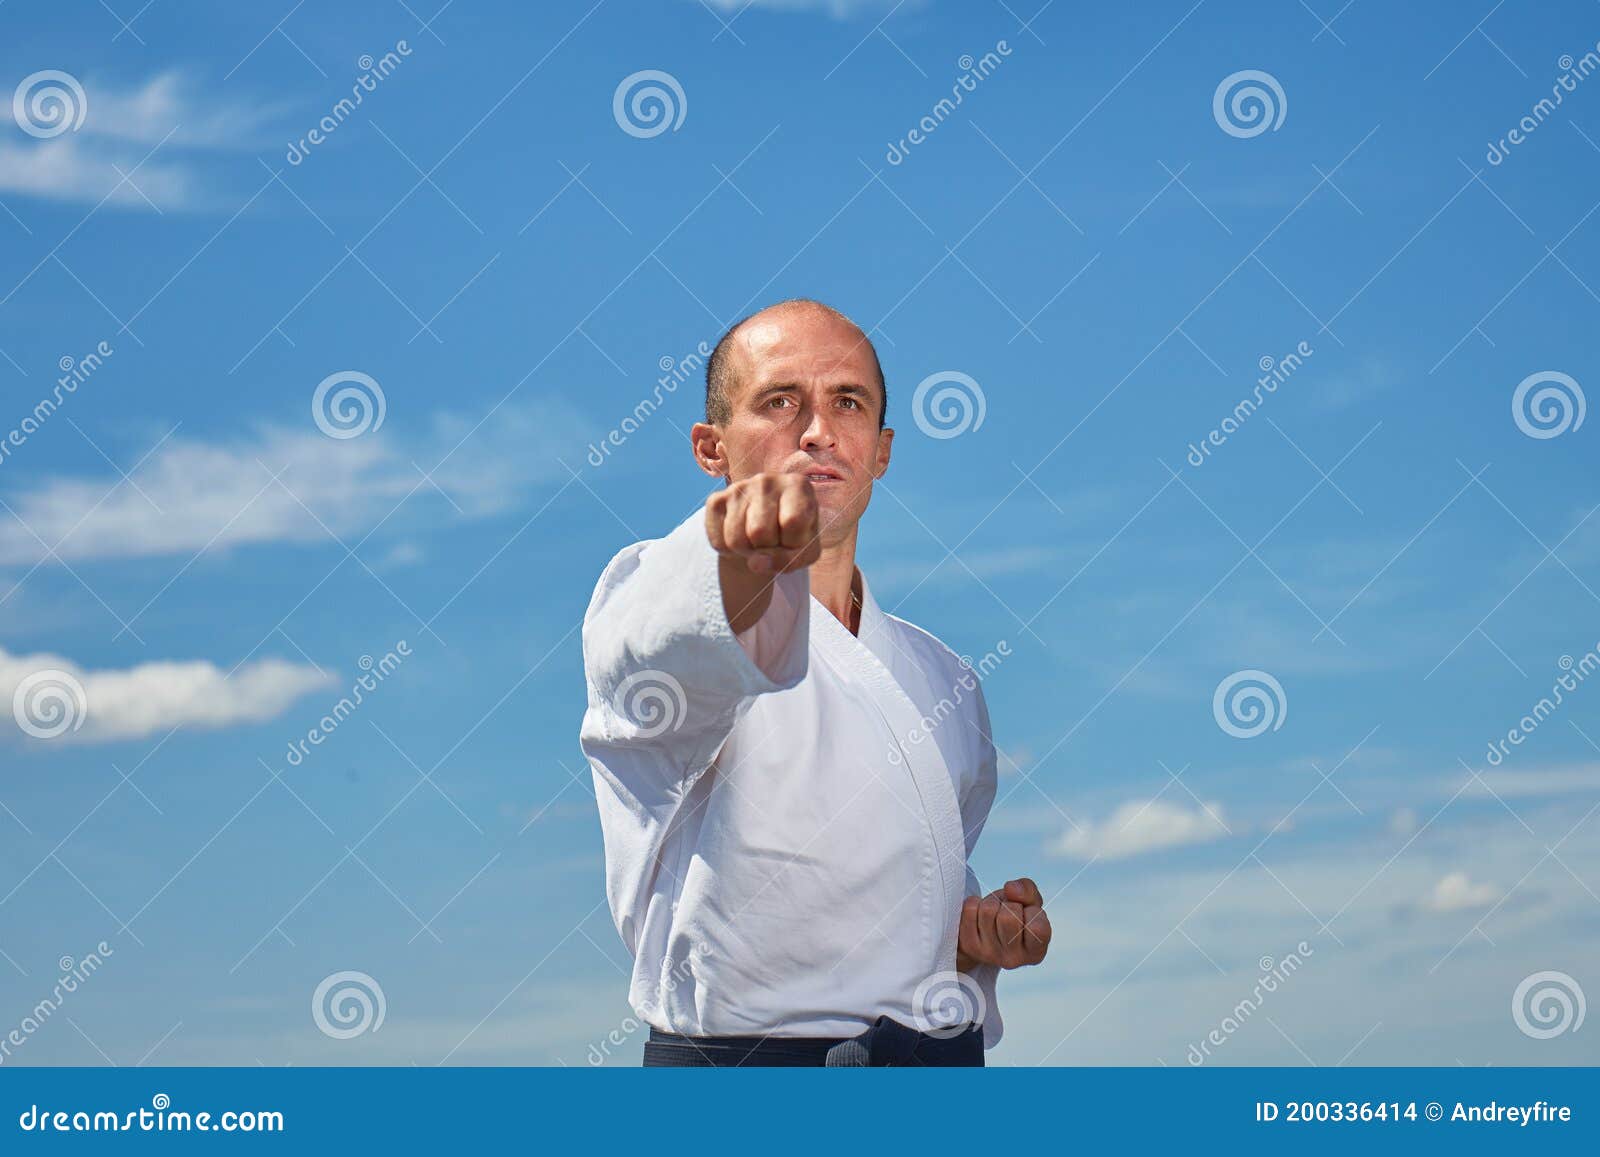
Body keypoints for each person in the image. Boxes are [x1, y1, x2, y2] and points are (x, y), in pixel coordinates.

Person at [578, 298, 1050, 1066]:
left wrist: (966, 935)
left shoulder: (943, 677)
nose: (817, 430)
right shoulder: (651, 600)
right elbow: (672, 638)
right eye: (779, 401)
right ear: (711, 447)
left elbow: (892, 905)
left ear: (881, 449)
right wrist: (737, 557)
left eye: (848, 402)